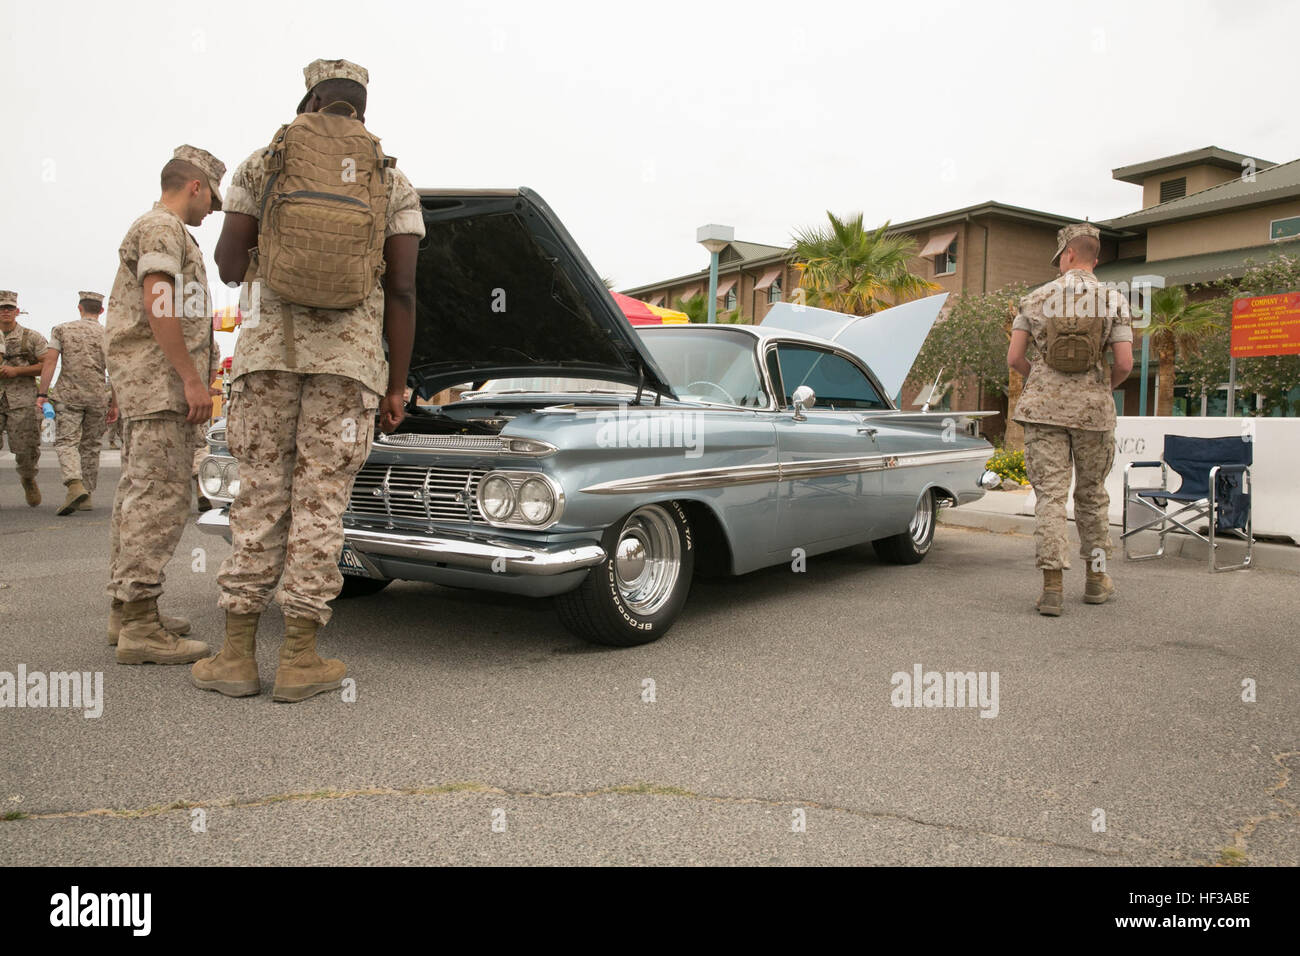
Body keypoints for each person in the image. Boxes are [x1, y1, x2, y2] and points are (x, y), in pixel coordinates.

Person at [199, 58, 420, 701]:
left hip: (268, 359)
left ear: (310, 100)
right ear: (362, 108)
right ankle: (300, 658)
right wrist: (396, 386)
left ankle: (236, 655)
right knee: (321, 504)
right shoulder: (390, 178)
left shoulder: (261, 164)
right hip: (348, 371)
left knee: (260, 497)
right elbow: (403, 289)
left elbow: (230, 264)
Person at [105, 145, 226, 662]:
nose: (214, 210)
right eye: (212, 199)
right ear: (195, 185)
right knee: (159, 500)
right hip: (162, 386)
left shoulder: (171, 233)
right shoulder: (163, 229)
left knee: (139, 495)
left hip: (152, 386)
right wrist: (190, 380)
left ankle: (127, 611)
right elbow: (160, 303)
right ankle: (139, 628)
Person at [1007, 222, 1134, 616]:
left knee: (1050, 497)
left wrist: (1040, 382)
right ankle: (1096, 581)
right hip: (1094, 413)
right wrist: (1100, 387)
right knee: (1092, 495)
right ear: (1095, 258)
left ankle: (1052, 589)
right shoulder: (1113, 300)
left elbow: (1014, 360)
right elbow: (1126, 364)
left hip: (1043, 411)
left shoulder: (1034, 299)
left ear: (1067, 255)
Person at [37, 291, 117, 514]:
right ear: (101, 311)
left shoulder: (61, 329)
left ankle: (74, 484)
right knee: (91, 446)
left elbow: (50, 362)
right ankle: (87, 495)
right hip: (98, 397)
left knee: (66, 442)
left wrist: (42, 394)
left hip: (68, 395)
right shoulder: (108, 334)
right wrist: (115, 404)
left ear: (79, 308)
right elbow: (116, 371)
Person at [0, 291, 49, 507]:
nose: (5, 312)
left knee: (26, 448)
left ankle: (28, 479)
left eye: (9, 308)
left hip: (21, 400)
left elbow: (47, 365)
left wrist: (17, 371)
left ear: (17, 311)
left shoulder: (31, 337)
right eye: (1, 308)